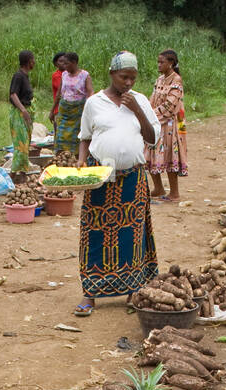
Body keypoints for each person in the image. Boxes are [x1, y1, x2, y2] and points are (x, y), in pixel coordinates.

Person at [72, 51, 160, 318]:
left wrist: (136, 110)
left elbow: (152, 137)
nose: (129, 83)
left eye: (133, 78)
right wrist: (80, 161)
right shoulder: (94, 103)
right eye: (124, 77)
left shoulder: (141, 101)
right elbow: (85, 136)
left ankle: (134, 290)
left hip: (132, 177)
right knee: (95, 231)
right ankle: (91, 293)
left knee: (131, 233)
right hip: (102, 175)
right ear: (111, 74)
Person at [146, 49, 186, 203]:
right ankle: (159, 188)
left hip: (169, 125)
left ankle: (174, 193)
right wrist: (147, 113)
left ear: (171, 63)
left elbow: (171, 105)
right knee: (150, 153)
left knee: (170, 156)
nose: (159, 65)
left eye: (162, 62)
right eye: (158, 62)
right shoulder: (160, 79)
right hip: (156, 122)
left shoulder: (176, 81)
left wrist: (151, 116)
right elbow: (153, 98)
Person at [53, 51, 90, 156]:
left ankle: (77, 158)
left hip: (78, 112)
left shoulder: (84, 75)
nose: (64, 66)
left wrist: (89, 106)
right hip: (64, 111)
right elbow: (59, 93)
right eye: (63, 63)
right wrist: (52, 110)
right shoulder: (64, 75)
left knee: (77, 136)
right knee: (60, 136)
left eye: (66, 63)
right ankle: (61, 158)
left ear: (74, 63)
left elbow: (90, 91)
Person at [9, 50, 35, 176]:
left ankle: (21, 172)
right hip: (18, 113)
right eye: (33, 59)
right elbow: (13, 94)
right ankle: (15, 174)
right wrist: (23, 110)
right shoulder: (18, 76)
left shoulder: (25, 75)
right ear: (28, 61)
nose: (34, 62)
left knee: (25, 143)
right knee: (21, 143)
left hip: (24, 112)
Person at [48, 52, 67, 124]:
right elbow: (61, 92)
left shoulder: (68, 74)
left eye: (65, 61)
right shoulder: (57, 75)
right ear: (56, 64)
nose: (63, 63)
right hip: (59, 109)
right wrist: (52, 111)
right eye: (61, 61)